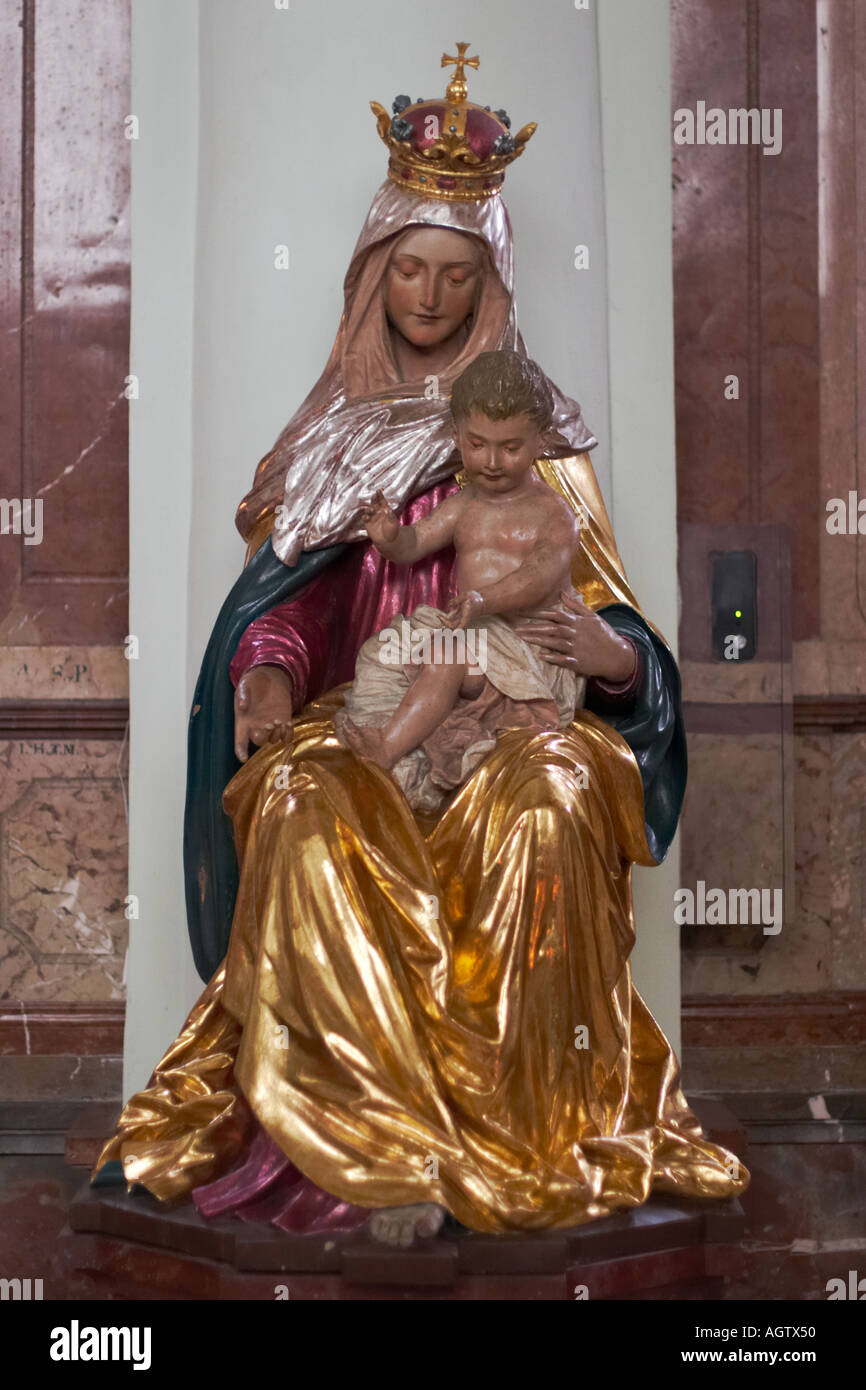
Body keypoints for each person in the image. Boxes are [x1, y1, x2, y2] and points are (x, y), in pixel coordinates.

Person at [92, 48, 748, 1249]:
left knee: (552, 797)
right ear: (370, 274)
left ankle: (529, 1136)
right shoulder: (329, 446)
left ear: (488, 284)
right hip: (375, 713)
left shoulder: (539, 448)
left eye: (457, 274)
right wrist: (272, 673)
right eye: (410, 271)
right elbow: (291, 602)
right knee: (293, 795)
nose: (431, 298)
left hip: (514, 722)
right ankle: (373, 1151)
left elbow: (616, 639)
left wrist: (607, 659)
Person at [337, 351, 587, 814]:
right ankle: (407, 732)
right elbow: (417, 542)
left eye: (510, 447)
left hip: (529, 647)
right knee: (387, 651)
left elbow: (540, 576)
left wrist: (483, 599)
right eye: (477, 444)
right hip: (476, 629)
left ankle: (386, 748)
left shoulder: (552, 514)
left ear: (541, 442)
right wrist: (391, 537)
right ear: (457, 437)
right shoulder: (464, 505)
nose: (491, 461)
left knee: (448, 657)